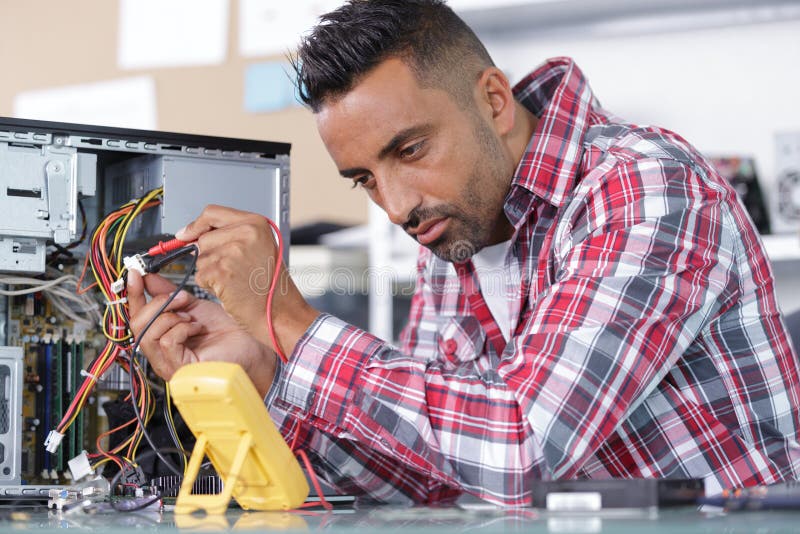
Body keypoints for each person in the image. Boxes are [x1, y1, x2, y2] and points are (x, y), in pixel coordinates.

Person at [127, 0, 800, 506]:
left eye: (410, 150)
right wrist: (265, 373)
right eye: (363, 179)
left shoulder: (644, 187)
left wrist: (293, 327)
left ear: (494, 100)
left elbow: (523, 449)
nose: (395, 206)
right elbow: (430, 477)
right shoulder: (457, 230)